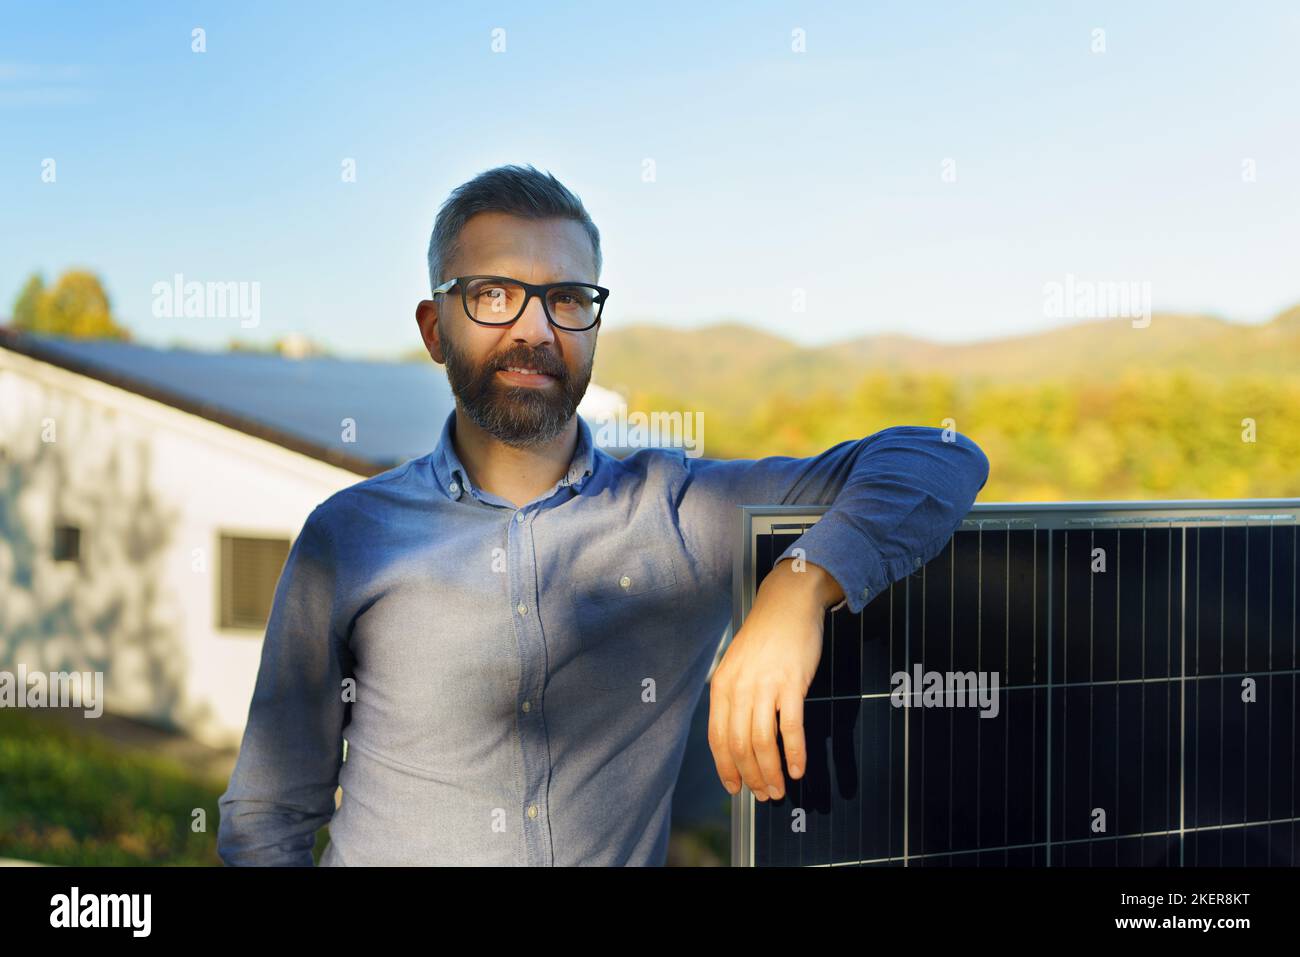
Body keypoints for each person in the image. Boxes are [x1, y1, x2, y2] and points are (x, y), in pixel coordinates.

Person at [216, 163, 990, 865]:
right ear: (433, 328)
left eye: (567, 298)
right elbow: (267, 816)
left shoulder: (681, 509)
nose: (535, 329)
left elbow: (940, 458)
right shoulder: (348, 536)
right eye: (493, 295)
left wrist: (799, 586)